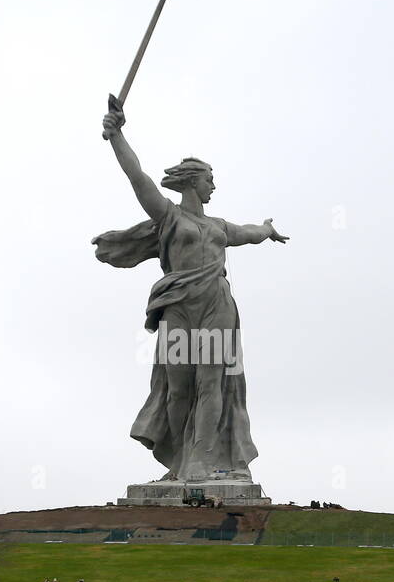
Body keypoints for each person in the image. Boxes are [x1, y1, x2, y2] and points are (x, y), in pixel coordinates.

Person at [94, 101, 288, 483]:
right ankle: (180, 459)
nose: (214, 185)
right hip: (178, 308)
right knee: (178, 388)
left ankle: (201, 458)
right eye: (209, 179)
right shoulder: (168, 216)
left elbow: (250, 233)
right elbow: (138, 179)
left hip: (216, 305)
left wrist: (267, 228)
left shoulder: (219, 226)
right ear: (192, 180)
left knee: (212, 382)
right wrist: (117, 135)